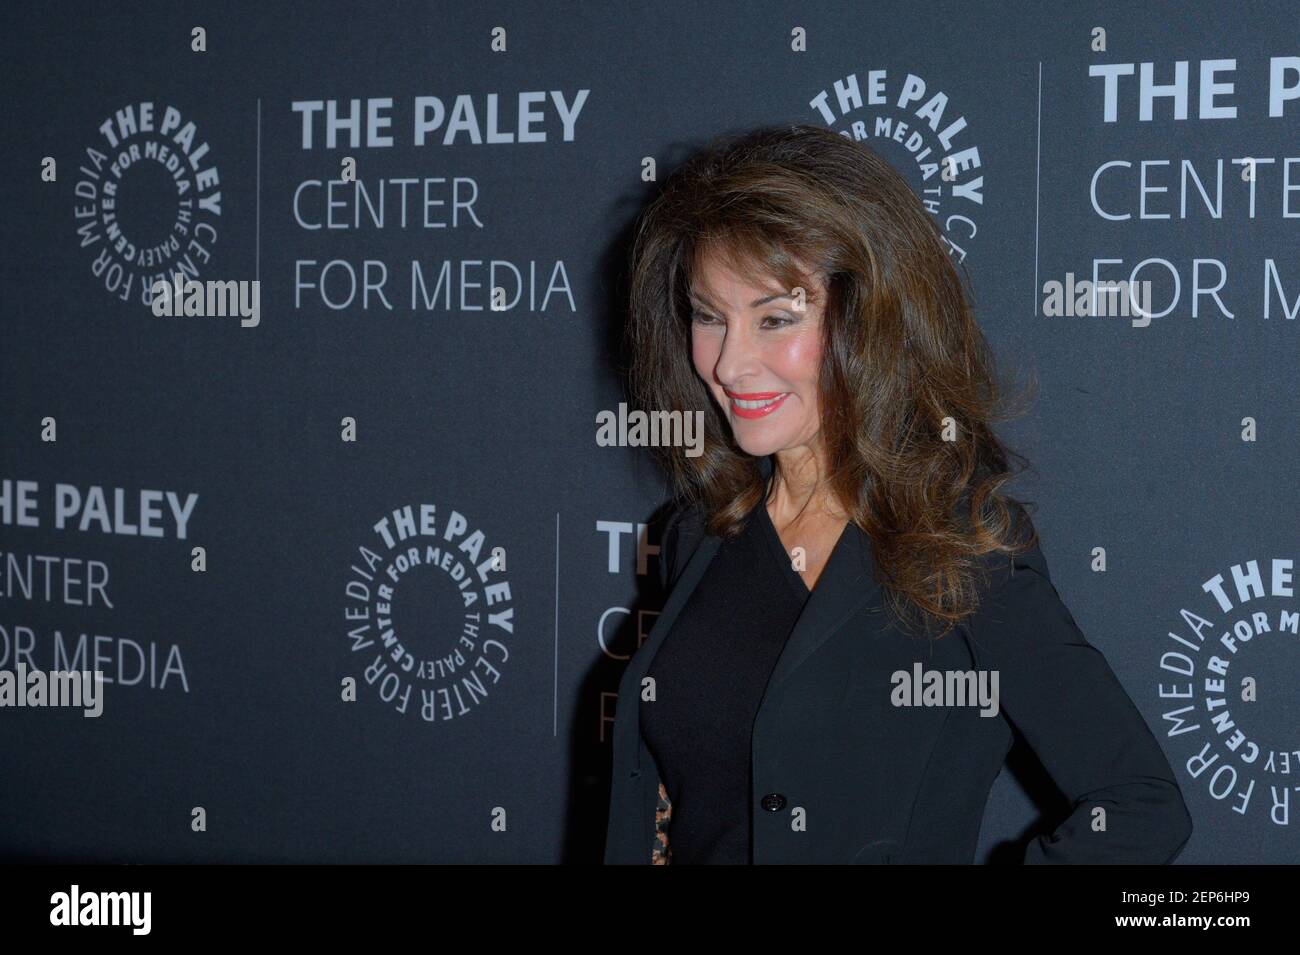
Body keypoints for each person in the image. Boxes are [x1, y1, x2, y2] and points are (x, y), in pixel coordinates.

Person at [603, 123, 1193, 864]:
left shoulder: (960, 545)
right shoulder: (701, 534)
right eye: (708, 315)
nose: (729, 361)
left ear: (870, 319)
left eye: (776, 318)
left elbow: (1141, 804)